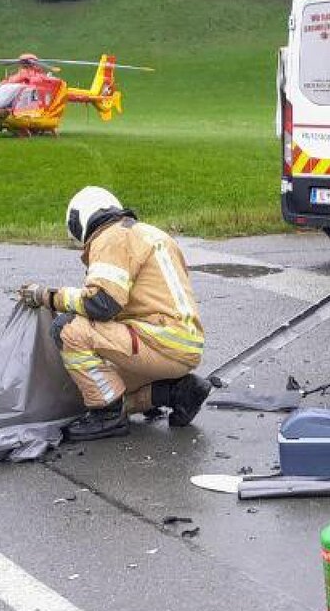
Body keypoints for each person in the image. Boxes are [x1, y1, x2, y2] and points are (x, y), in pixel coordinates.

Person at [13, 185, 209, 441]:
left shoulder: (110, 237)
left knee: (69, 329)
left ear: (80, 221)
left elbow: (101, 304)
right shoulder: (148, 234)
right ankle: (177, 392)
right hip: (182, 344)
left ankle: (107, 416)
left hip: (159, 339)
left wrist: (47, 297)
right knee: (107, 384)